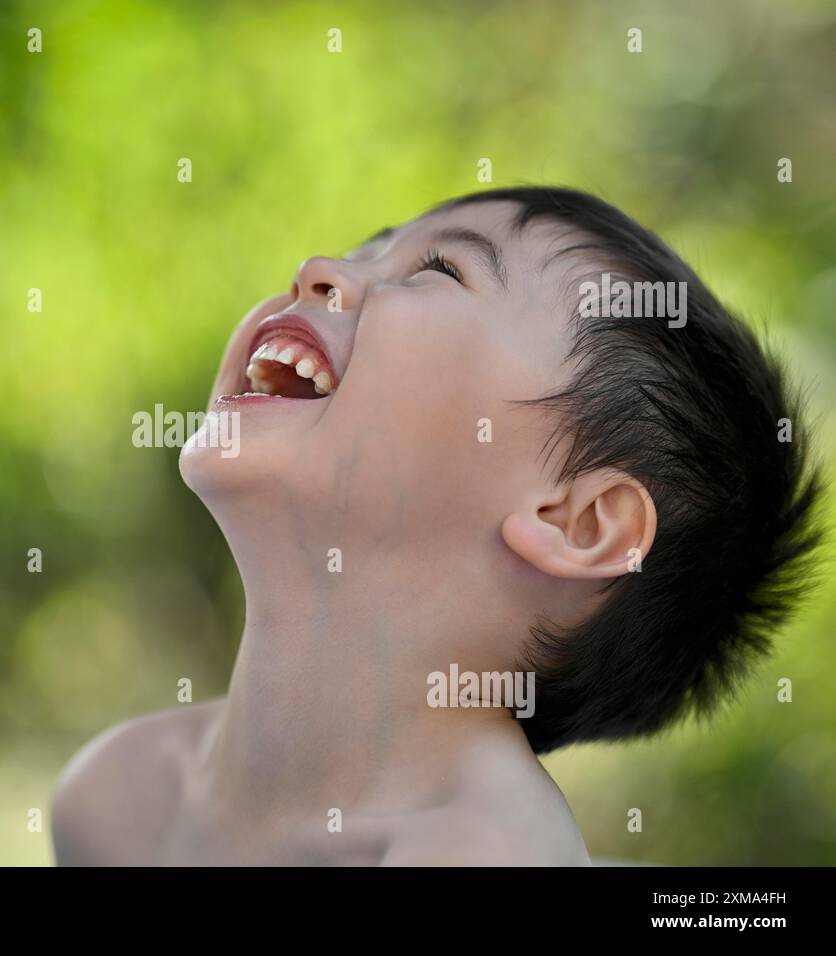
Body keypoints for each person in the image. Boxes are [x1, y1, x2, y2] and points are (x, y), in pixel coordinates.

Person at [51, 187, 824, 866]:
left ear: (579, 522)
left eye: (438, 270)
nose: (319, 268)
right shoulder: (115, 796)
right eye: (366, 249)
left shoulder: (485, 855)